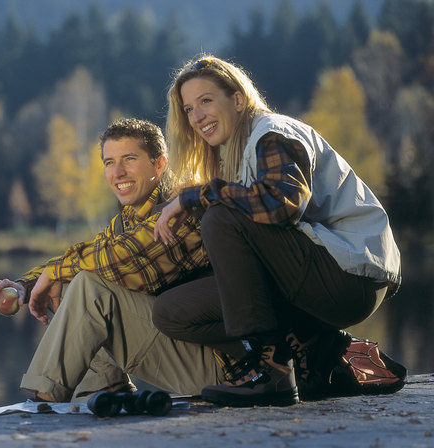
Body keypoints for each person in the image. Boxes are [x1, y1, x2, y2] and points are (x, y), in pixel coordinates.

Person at [153, 55, 401, 407]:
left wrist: (200, 195)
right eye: (189, 109)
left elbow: (282, 205)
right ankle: (319, 350)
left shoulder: (273, 135)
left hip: (350, 278)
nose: (197, 117)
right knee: (172, 311)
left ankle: (272, 373)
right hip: (315, 276)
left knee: (220, 217)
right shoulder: (237, 156)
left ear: (238, 99)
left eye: (206, 101)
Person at [0, 117, 216, 402]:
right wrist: (25, 285)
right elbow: (93, 253)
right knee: (79, 278)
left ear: (159, 164)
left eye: (129, 159)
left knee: (90, 284)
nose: (118, 172)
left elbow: (127, 255)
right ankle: (104, 388)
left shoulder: (181, 208)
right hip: (186, 356)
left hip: (221, 368)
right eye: (109, 162)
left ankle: (44, 396)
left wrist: (54, 273)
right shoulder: (129, 218)